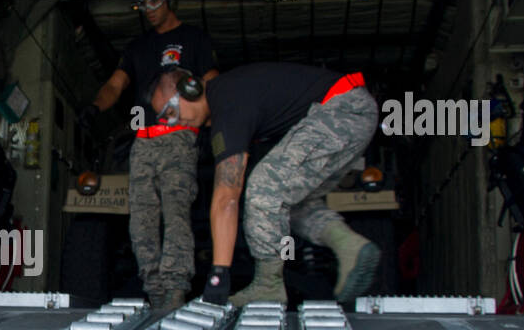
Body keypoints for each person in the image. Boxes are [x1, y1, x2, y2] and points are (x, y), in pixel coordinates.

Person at [154, 61, 381, 307]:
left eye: (171, 112)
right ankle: (350, 246)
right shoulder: (225, 104)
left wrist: (219, 275)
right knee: (290, 204)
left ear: (190, 90)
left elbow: (226, 196)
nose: (172, 124)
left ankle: (268, 285)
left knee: (264, 189)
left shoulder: (227, 102)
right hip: (352, 115)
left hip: (342, 110)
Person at [78, 0, 219, 310]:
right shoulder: (138, 48)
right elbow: (116, 84)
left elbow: (212, 80)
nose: (148, 10)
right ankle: (154, 287)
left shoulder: (194, 39)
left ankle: (174, 287)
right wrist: (95, 107)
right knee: (140, 216)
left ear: (171, 0)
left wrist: (205, 112)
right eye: (143, 4)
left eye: (154, 1)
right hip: (143, 140)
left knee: (175, 209)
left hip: (180, 136)